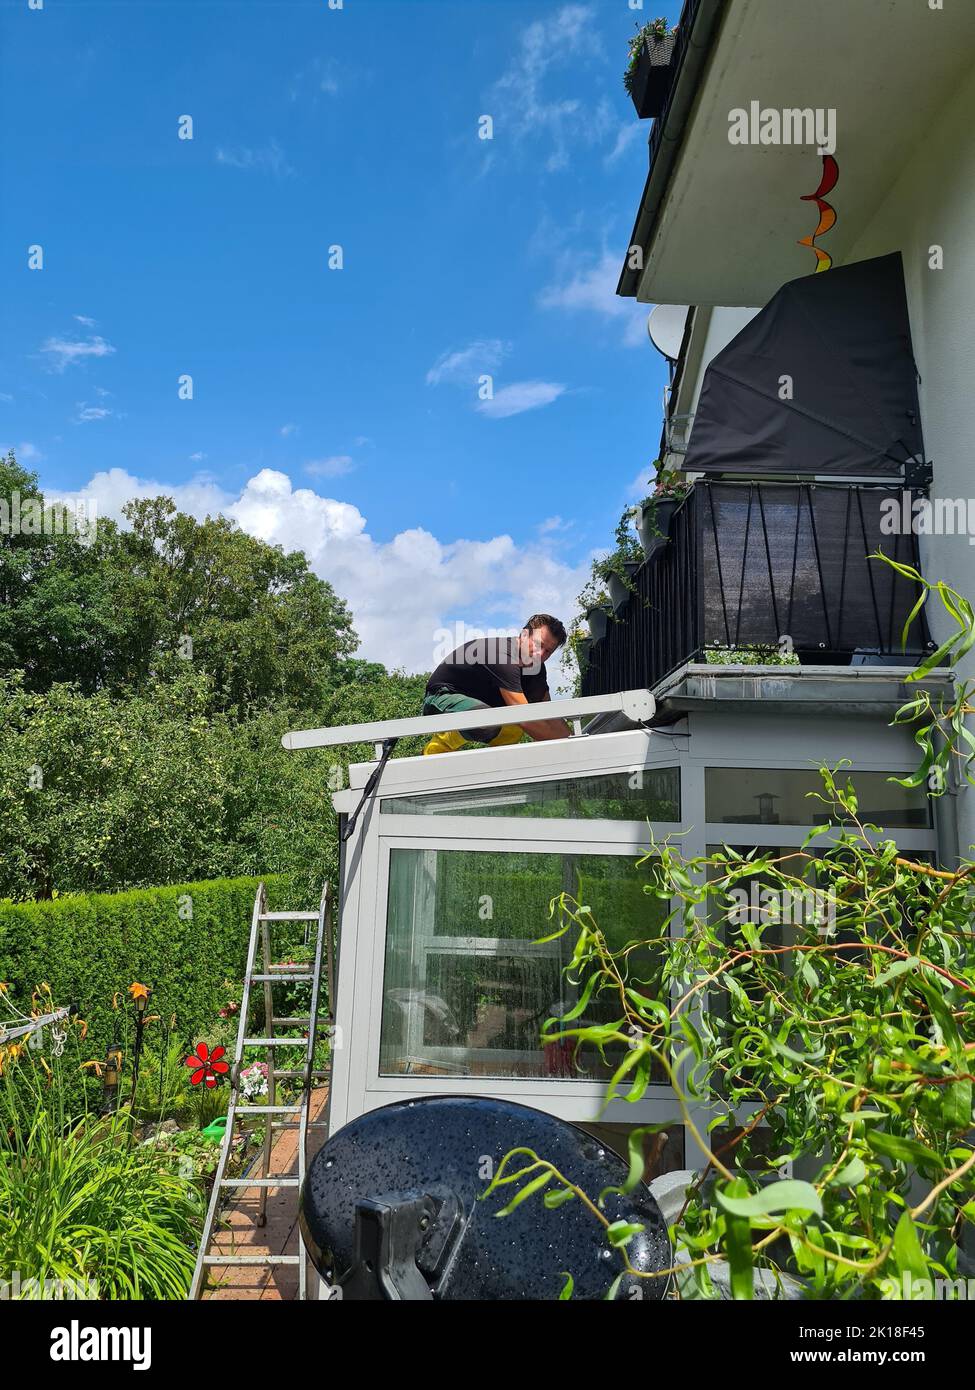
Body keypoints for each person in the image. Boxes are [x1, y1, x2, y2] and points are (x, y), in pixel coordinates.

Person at [422, 614, 571, 755]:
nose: (541, 654)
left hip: (483, 708)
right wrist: (565, 748)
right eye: (539, 645)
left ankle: (498, 767)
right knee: (487, 720)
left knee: (513, 729)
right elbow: (526, 719)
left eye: (548, 651)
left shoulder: (536, 668)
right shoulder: (501, 655)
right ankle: (436, 750)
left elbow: (548, 714)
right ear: (524, 635)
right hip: (441, 698)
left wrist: (575, 741)